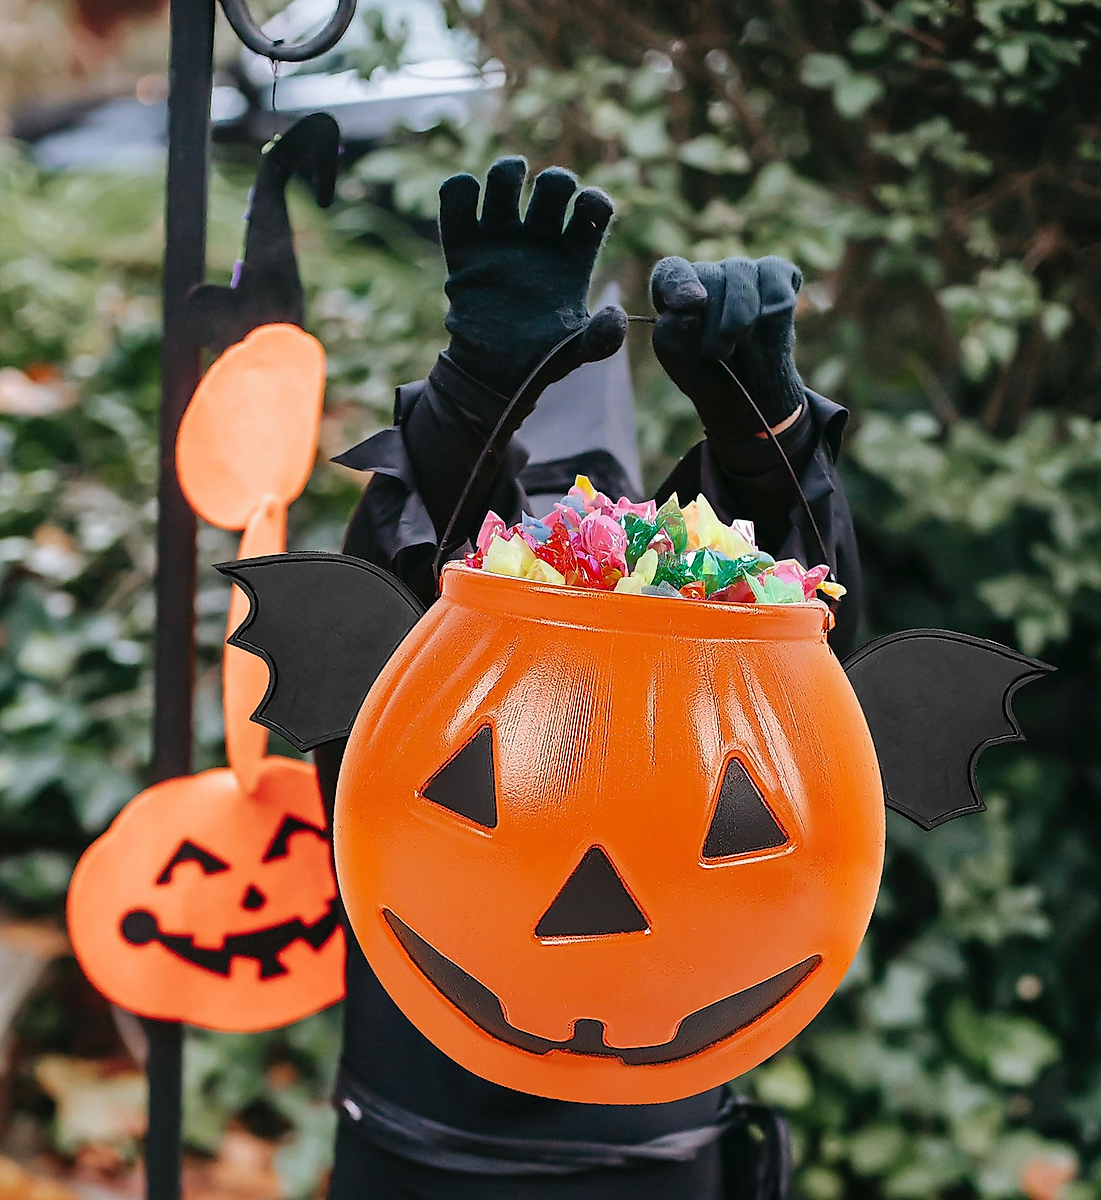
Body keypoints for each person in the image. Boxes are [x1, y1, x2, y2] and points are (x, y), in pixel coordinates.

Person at [312, 156, 862, 1199]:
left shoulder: (709, 695)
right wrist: (469, 398)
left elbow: (798, 705)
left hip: (656, 1158)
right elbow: (386, 622)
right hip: (419, 1150)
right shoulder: (432, 674)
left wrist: (770, 447)